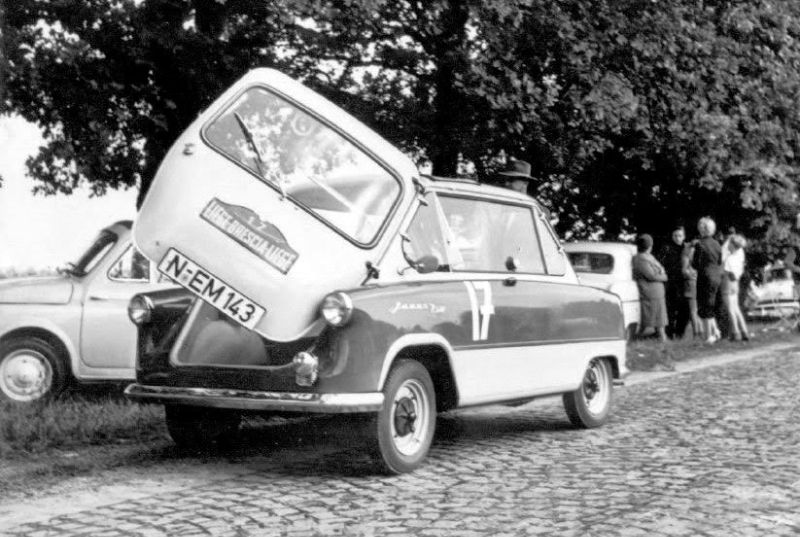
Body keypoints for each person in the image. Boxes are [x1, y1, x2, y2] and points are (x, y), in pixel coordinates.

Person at [692, 217, 723, 344]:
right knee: (710, 304)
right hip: (716, 275)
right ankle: (715, 331)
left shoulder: (700, 244)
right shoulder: (717, 244)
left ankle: (708, 335)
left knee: (705, 306)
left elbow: (695, 264)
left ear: (702, 229)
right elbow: (720, 261)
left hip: (705, 276)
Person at [632, 233, 668, 342]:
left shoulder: (649, 257)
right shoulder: (641, 259)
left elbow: (660, 269)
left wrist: (661, 272)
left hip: (656, 292)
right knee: (654, 319)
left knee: (659, 318)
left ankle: (661, 338)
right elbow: (651, 275)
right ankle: (661, 339)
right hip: (650, 292)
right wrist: (664, 276)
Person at [658, 225, 689, 338]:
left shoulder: (687, 248)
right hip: (671, 283)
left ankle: (680, 333)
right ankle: (669, 333)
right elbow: (660, 264)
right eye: (675, 235)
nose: (677, 238)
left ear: (684, 236)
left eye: (679, 235)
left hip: (684, 283)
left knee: (685, 310)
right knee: (670, 310)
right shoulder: (666, 248)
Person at [721, 234, 751, 341]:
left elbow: (723, 268)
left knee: (730, 308)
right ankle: (744, 330)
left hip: (727, 280)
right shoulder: (740, 254)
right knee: (736, 307)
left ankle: (736, 331)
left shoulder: (729, 258)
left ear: (732, 245)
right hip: (736, 282)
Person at [681, 240, 703, 339]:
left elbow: (684, 270)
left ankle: (696, 334)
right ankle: (700, 330)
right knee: (695, 310)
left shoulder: (687, 254)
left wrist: (687, 274)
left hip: (690, 283)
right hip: (698, 282)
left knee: (692, 311)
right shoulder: (700, 254)